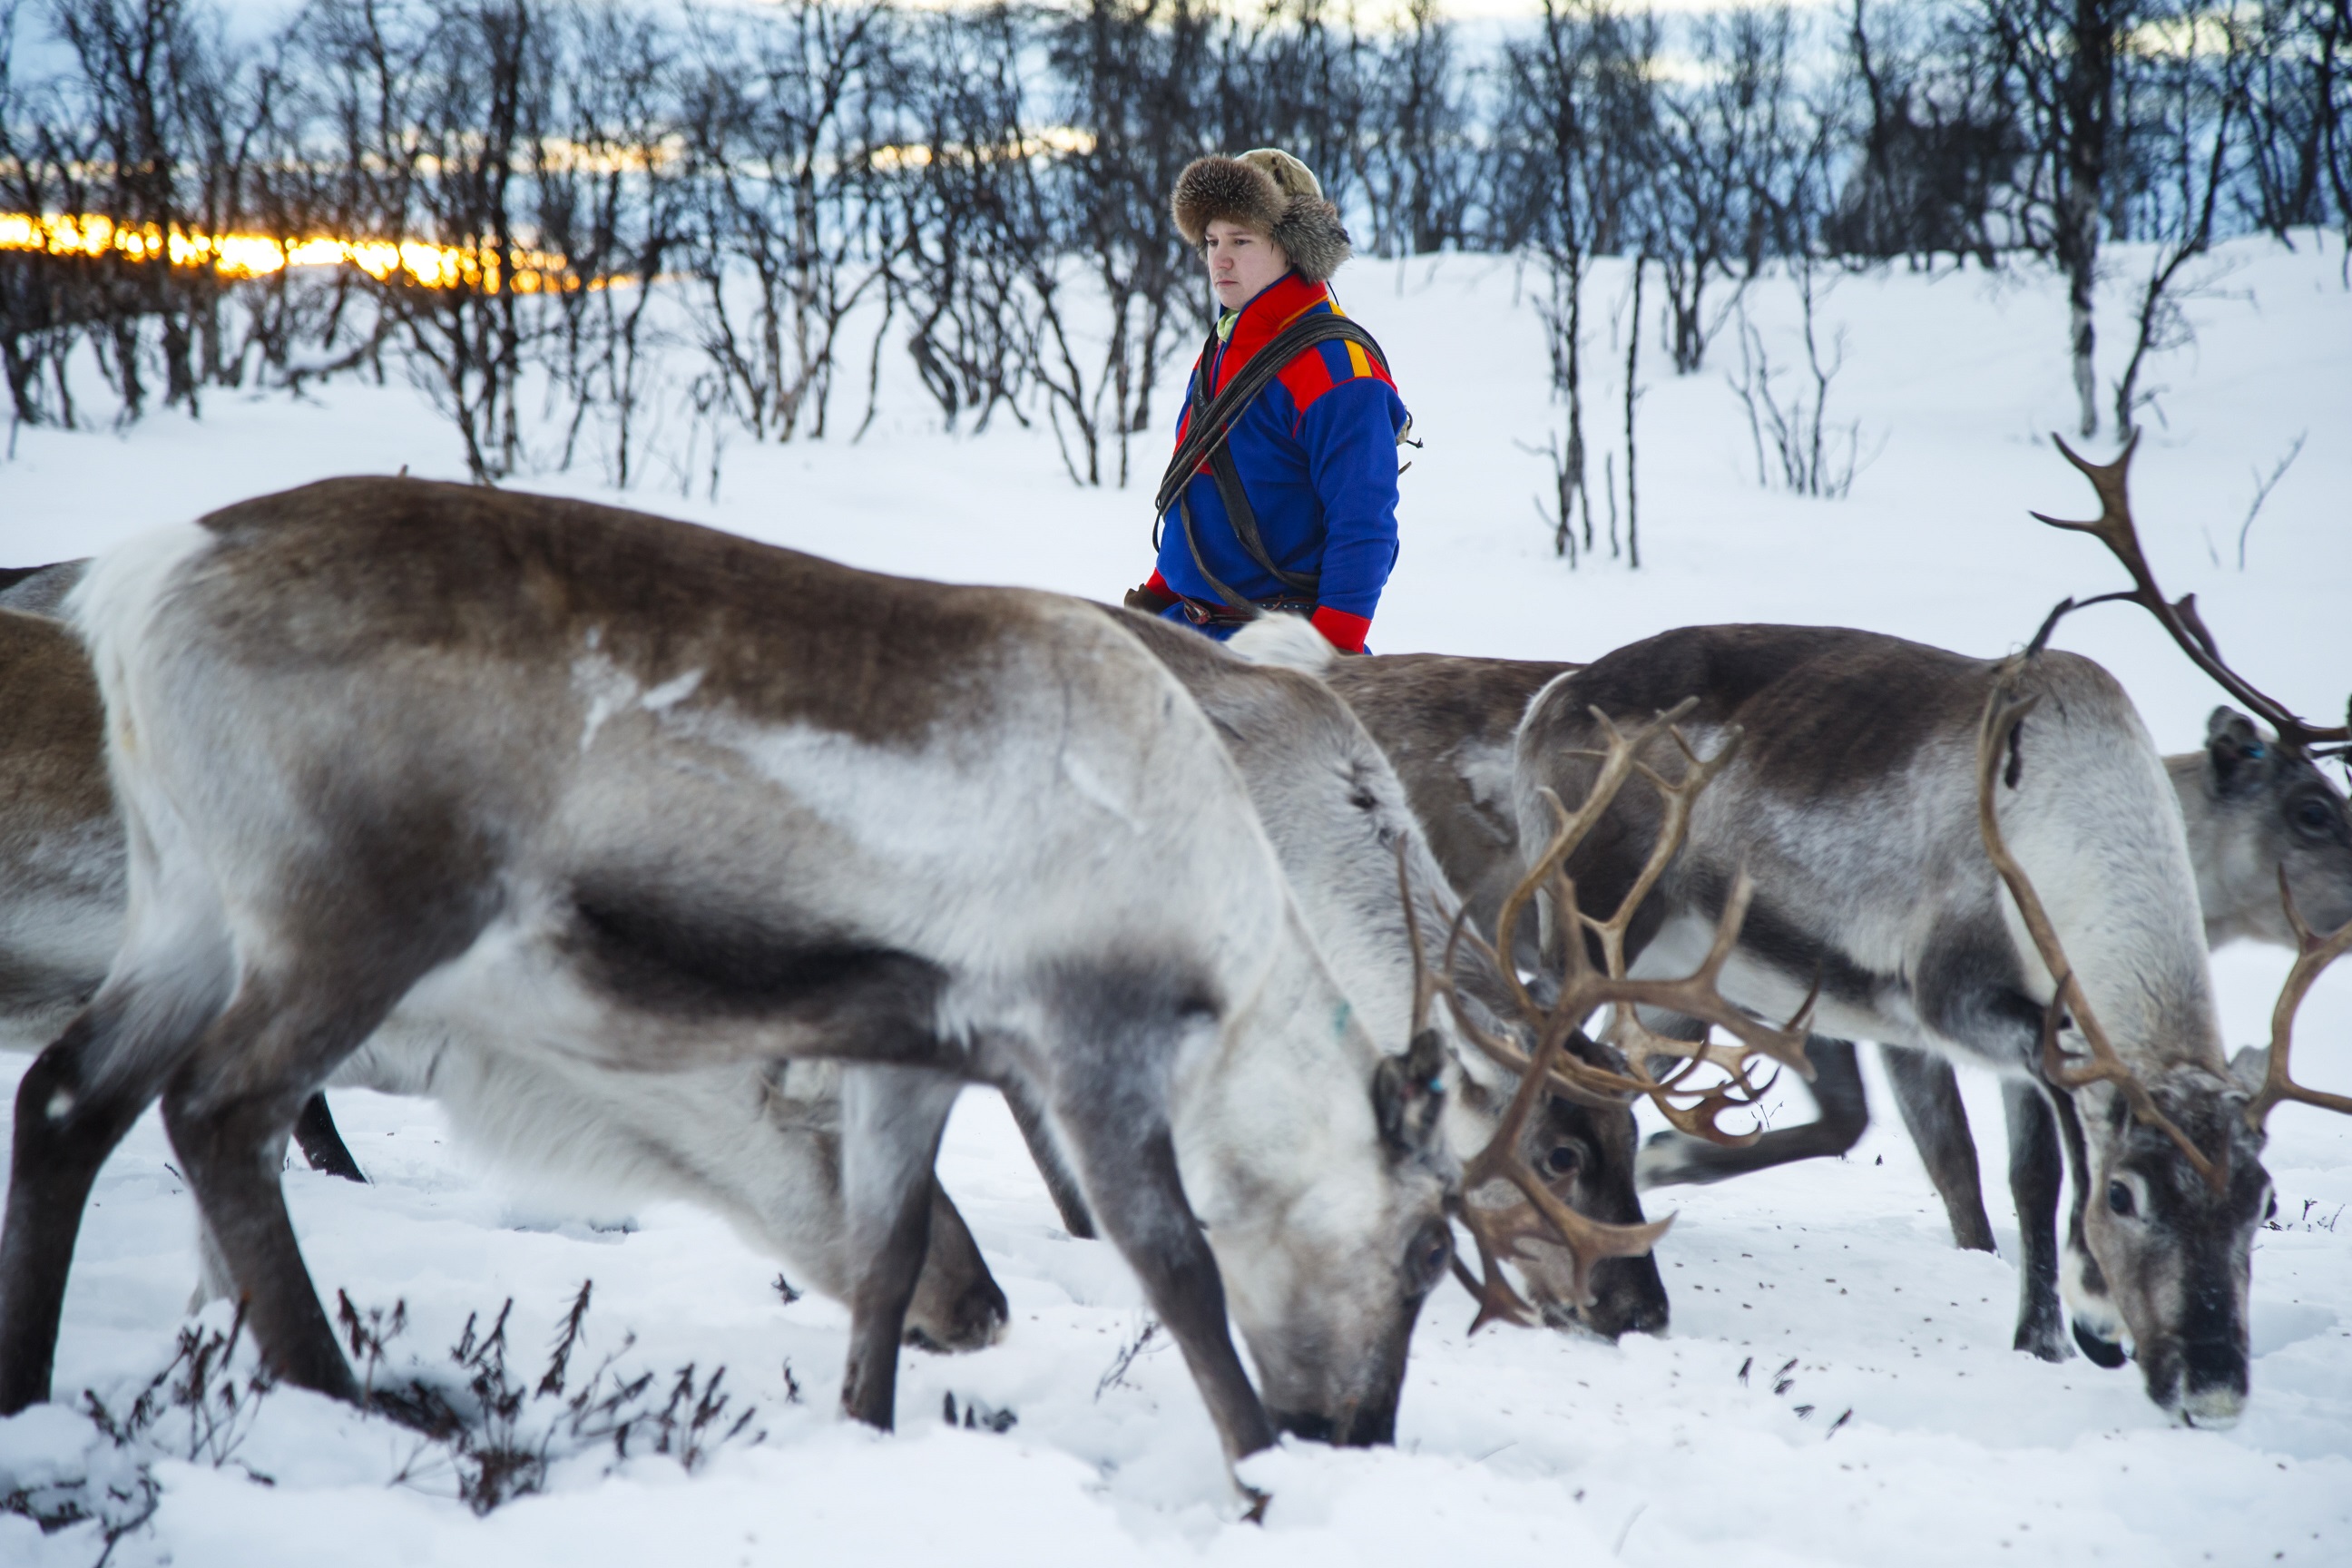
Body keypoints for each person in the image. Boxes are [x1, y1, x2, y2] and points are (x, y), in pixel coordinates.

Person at [1124, 149, 1409, 654]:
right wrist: (1163, 590)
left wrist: (1330, 659)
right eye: (1211, 241)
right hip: (1189, 636)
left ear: (1295, 247)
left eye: (1241, 240)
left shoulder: (1340, 371)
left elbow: (1363, 527)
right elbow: (1199, 492)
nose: (1219, 259)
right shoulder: (1224, 346)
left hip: (1276, 657)